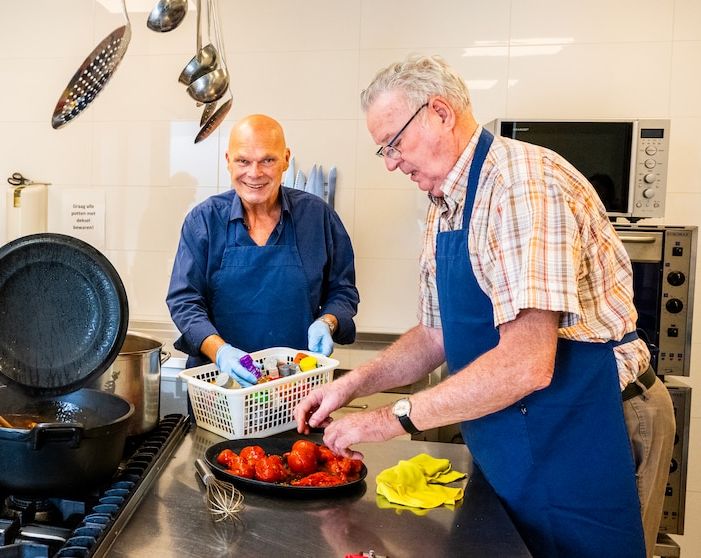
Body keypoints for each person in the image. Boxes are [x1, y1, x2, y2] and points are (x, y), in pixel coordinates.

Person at [294, 54, 675, 558]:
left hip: (592, 425)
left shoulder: (521, 186)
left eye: (394, 143)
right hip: (517, 431)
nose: (390, 162)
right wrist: (352, 385)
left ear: (440, 113)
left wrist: (388, 420)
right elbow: (435, 336)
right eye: (381, 150)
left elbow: (526, 362)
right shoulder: (444, 205)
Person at [167, 113, 360, 385]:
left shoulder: (318, 217)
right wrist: (220, 352)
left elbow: (342, 290)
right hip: (220, 387)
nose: (254, 173)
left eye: (267, 160)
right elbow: (184, 302)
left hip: (298, 386)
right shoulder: (204, 221)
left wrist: (327, 322)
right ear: (228, 161)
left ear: (285, 159)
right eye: (243, 161)